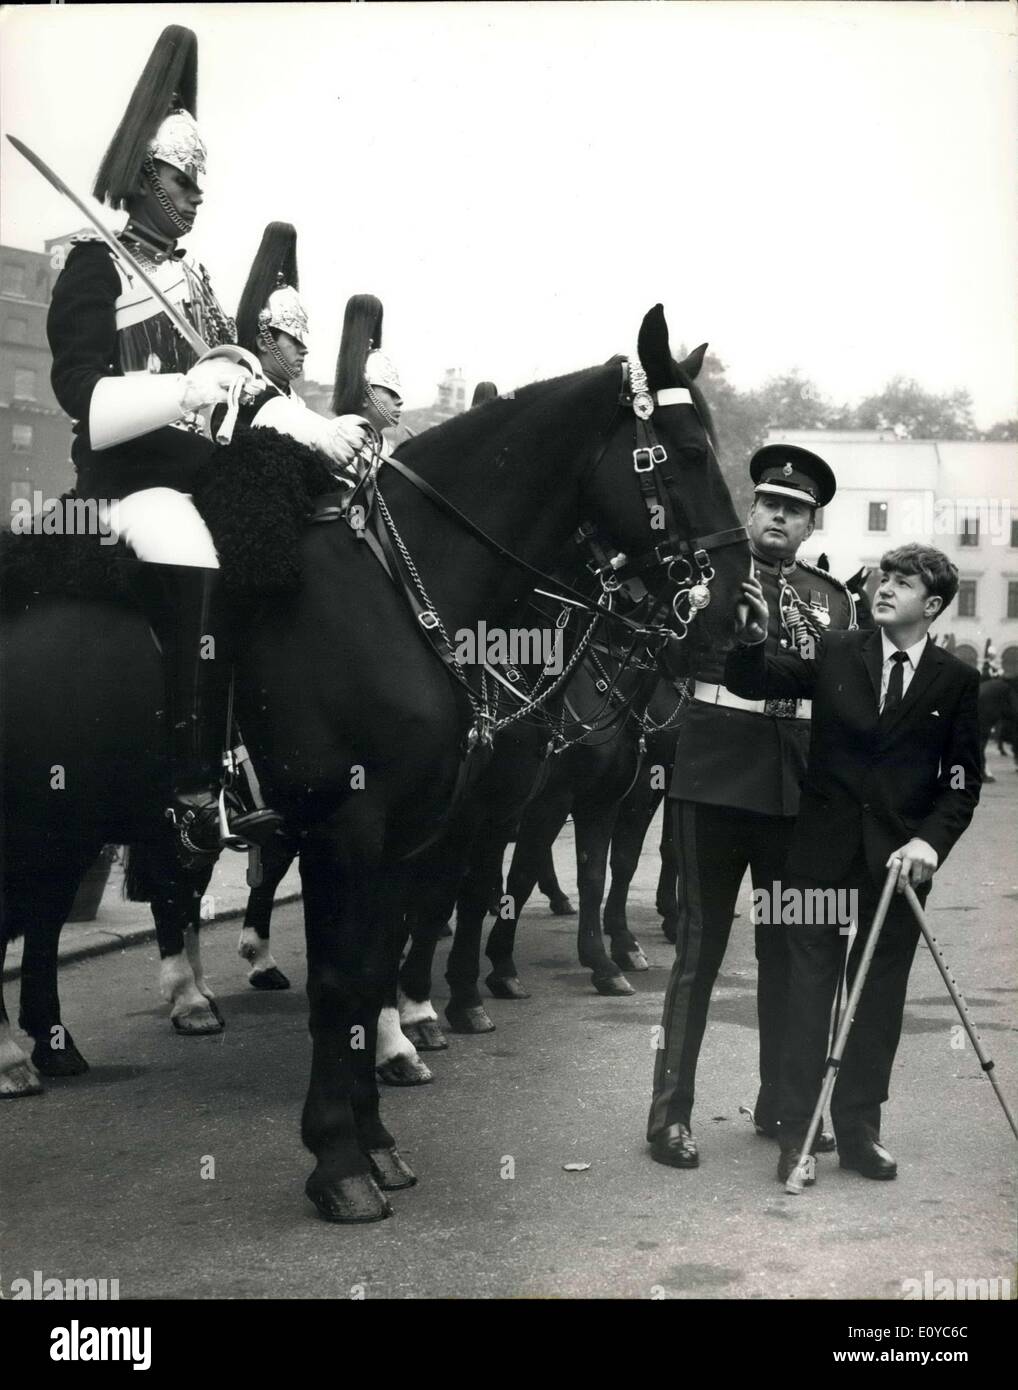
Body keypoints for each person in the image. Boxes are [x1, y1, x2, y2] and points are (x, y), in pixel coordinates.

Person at [46, 26, 275, 854]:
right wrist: (184, 388)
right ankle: (191, 781)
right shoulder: (93, 267)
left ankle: (255, 746)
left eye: (200, 184)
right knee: (190, 549)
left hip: (201, 475)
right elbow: (80, 398)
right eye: (185, 181)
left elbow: (235, 400)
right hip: (128, 486)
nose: (197, 196)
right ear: (145, 177)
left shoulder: (196, 281)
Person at [726, 543, 982, 1184]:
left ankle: (860, 1129)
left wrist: (928, 842)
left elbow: (960, 782)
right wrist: (753, 643)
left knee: (874, 999)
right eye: (883, 578)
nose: (885, 587)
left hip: (897, 870)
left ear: (933, 605)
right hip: (815, 860)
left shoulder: (954, 681)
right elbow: (755, 681)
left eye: (903, 582)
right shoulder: (837, 650)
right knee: (807, 994)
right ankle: (799, 1133)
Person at [647, 444, 856, 1169]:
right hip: (713, 779)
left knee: (787, 955)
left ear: (811, 525)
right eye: (769, 503)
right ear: (752, 507)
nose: (778, 516)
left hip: (795, 797)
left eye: (794, 510)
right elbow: (670, 659)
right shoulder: (706, 576)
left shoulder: (835, 600)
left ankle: (782, 1104)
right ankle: (670, 1114)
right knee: (698, 954)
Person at [230, 221, 367, 472]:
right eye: (294, 341)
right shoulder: (242, 391)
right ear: (263, 341)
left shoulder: (294, 400)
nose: (304, 350)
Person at [332, 294, 405, 462]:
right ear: (364, 397)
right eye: (391, 393)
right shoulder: (336, 443)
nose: (400, 401)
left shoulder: (388, 451)